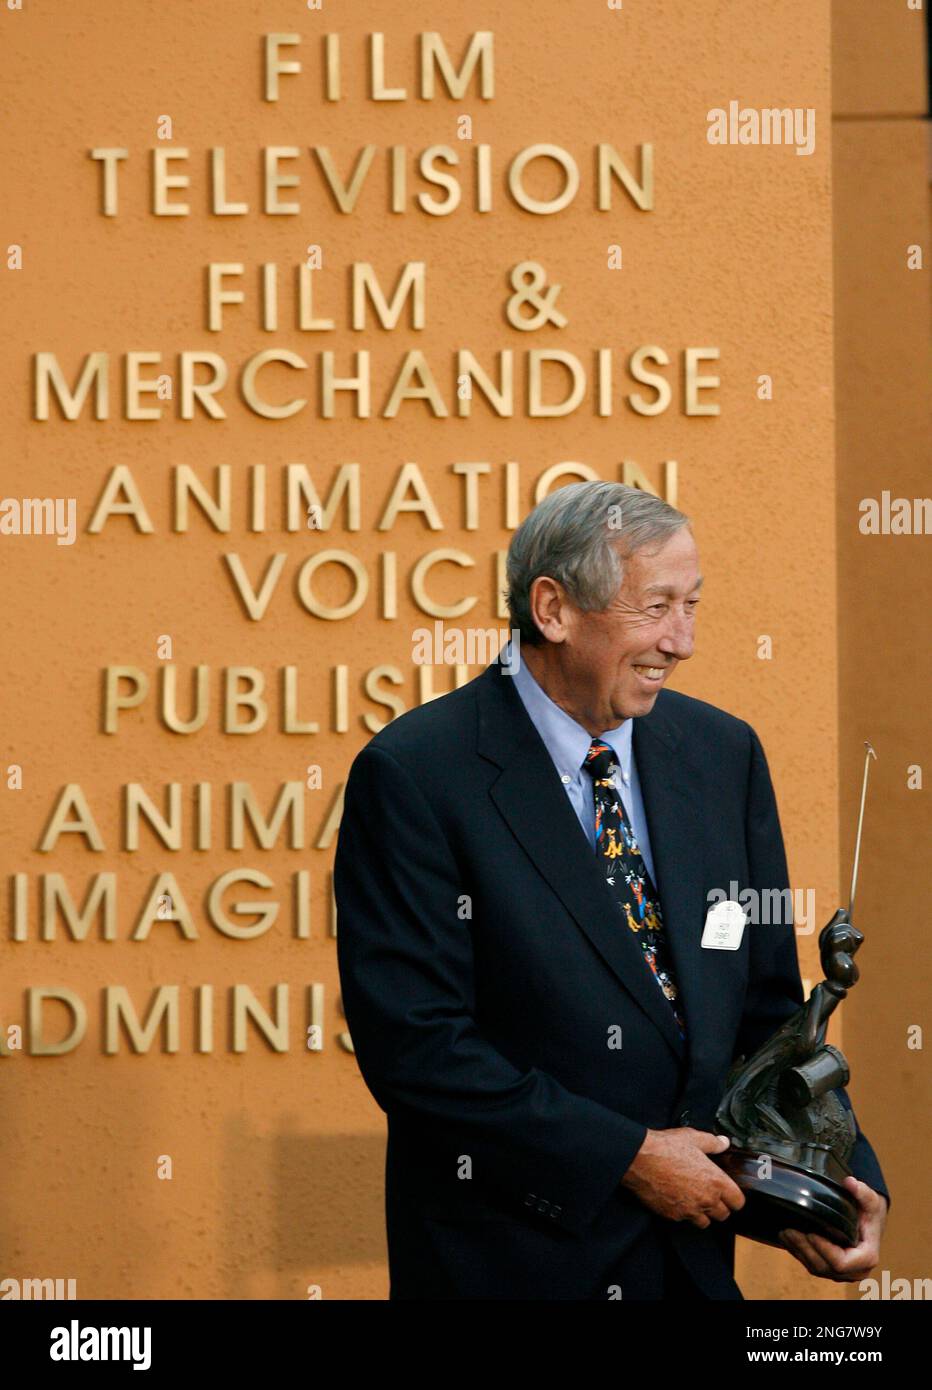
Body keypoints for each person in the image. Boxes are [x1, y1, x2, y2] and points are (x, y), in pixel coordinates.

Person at [334, 480, 889, 1300]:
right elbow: (418, 1050)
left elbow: (767, 1012)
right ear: (553, 609)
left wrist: (842, 1185)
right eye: (657, 606)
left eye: (693, 604)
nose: (684, 639)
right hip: (512, 1272)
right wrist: (626, 1158)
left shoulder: (722, 755)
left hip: (691, 1275)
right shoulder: (416, 774)